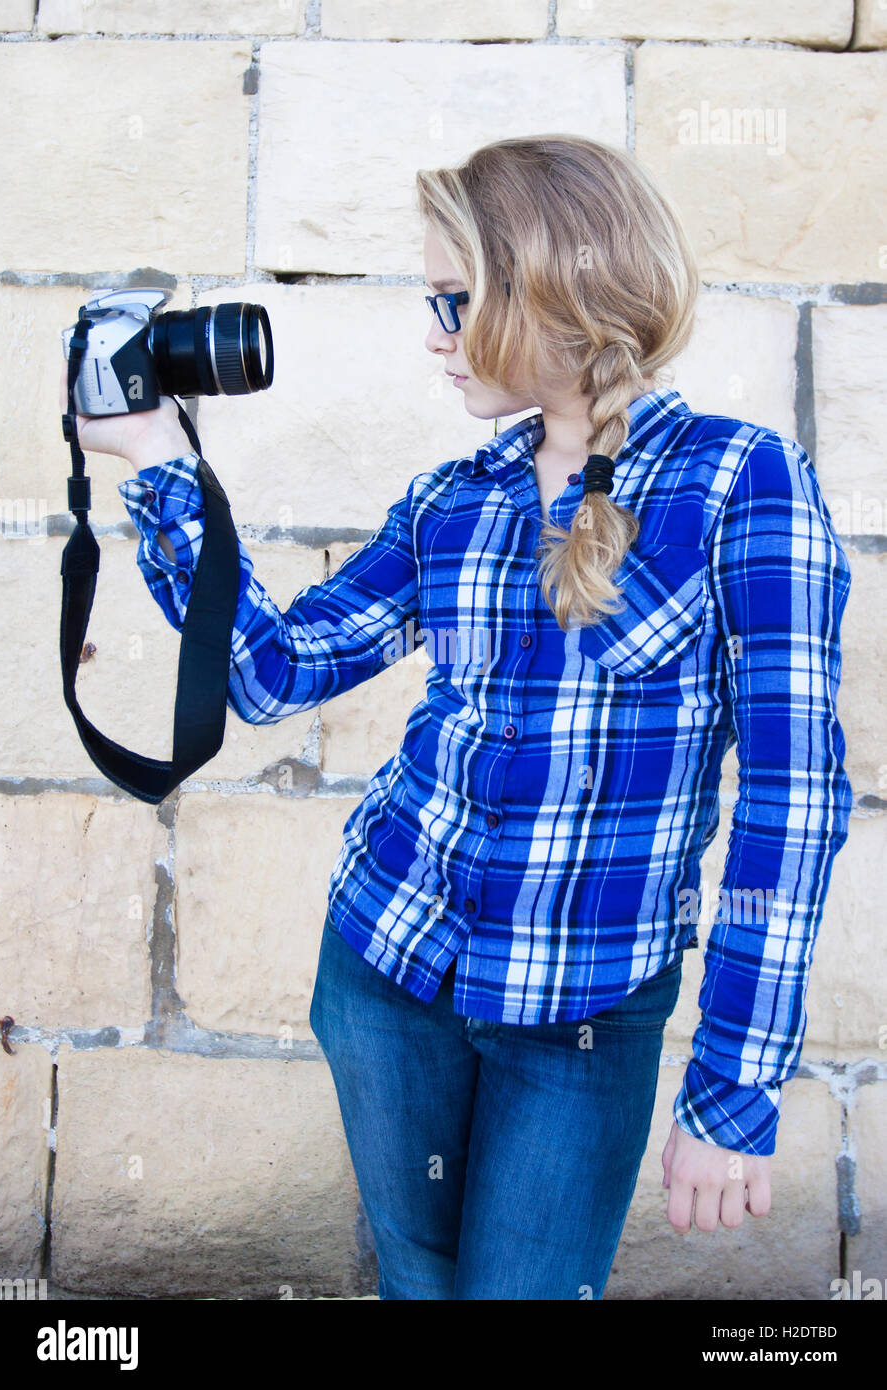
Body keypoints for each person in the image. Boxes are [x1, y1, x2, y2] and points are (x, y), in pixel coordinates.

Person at [61, 135, 853, 1301]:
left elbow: (793, 798)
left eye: (452, 299)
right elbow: (272, 672)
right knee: (420, 1282)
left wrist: (735, 1084)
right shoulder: (453, 500)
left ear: (550, 289)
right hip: (386, 973)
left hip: (580, 1017)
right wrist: (158, 462)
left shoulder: (742, 483)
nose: (433, 334)